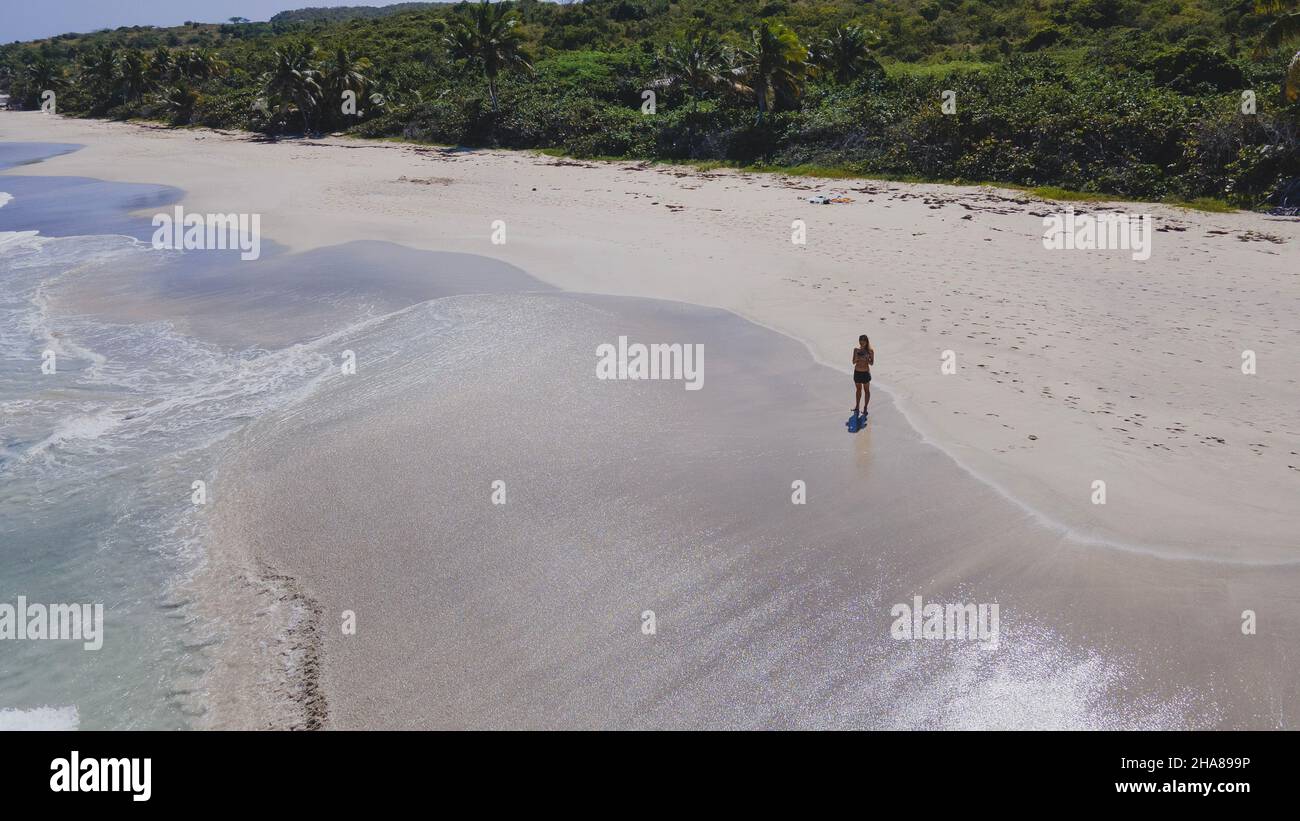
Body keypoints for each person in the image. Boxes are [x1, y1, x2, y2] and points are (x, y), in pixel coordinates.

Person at [852, 334, 874, 417]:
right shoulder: (856, 350)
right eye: (860, 342)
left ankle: (865, 407)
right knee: (858, 390)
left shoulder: (870, 351)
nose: (861, 344)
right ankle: (857, 406)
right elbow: (853, 362)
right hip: (857, 372)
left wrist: (867, 358)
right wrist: (857, 357)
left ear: (866, 342)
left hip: (865, 373)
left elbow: (872, 363)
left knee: (866, 390)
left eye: (863, 342)